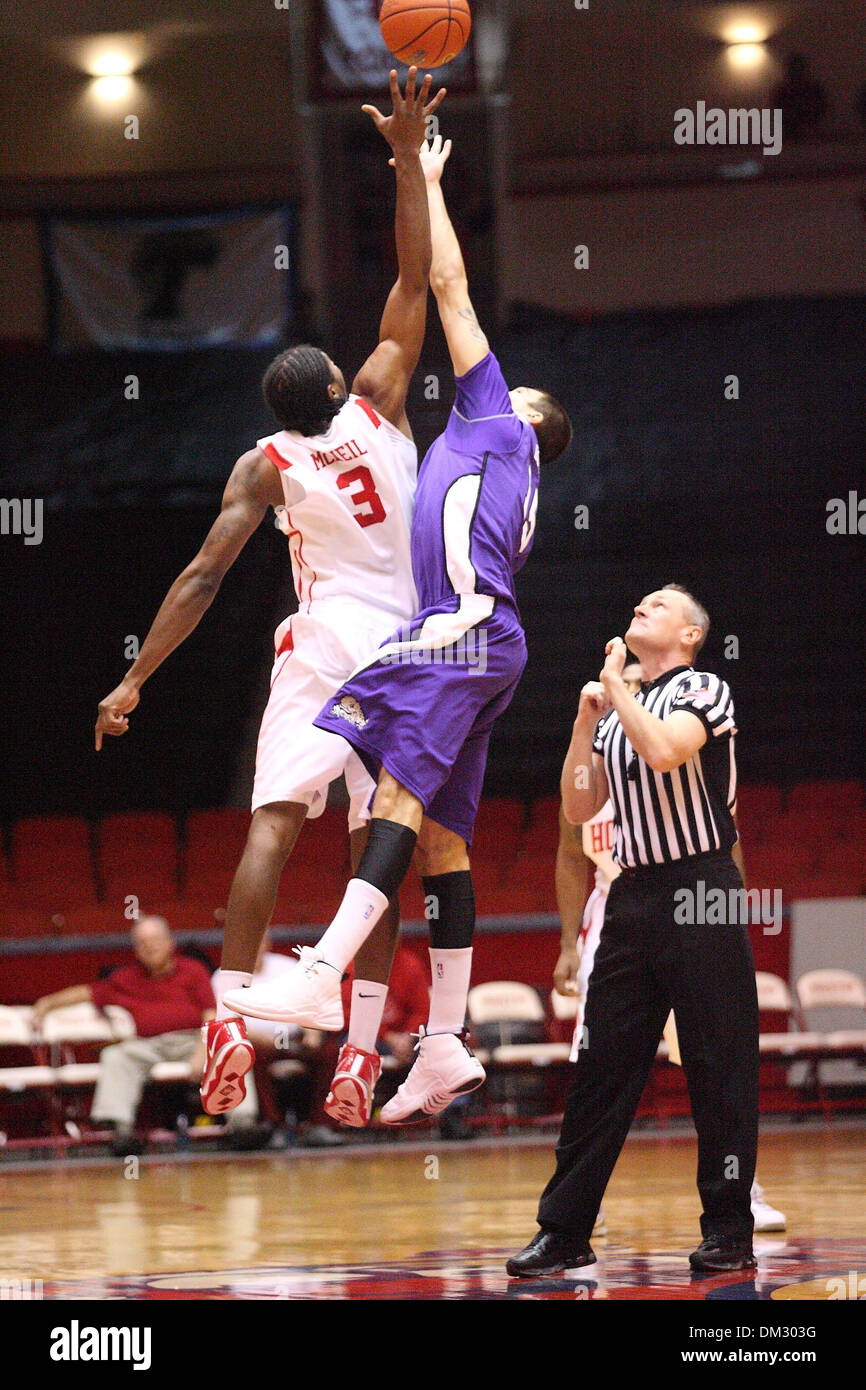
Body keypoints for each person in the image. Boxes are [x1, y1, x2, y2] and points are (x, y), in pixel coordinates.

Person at [93, 69, 446, 1121]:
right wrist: (405, 155)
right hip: (415, 645)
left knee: (269, 828)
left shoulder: (266, 464)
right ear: (340, 382)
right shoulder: (382, 396)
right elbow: (415, 277)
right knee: (373, 844)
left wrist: (133, 677)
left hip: (330, 637)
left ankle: (230, 1023)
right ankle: (358, 1049)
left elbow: (203, 575)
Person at [225, 133, 573, 1130]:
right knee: (441, 839)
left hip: (455, 628)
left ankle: (321, 973)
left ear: (520, 416)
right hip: (484, 641)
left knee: (377, 772)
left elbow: (444, 284)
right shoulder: (502, 457)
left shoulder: (492, 424)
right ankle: (444, 1040)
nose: (504, 377)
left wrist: (422, 179)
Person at [508, 585, 760, 1277]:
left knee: (719, 1065)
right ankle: (563, 1231)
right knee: (600, 1071)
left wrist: (618, 688)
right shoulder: (615, 712)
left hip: (701, 887)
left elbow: (666, 753)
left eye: (660, 605)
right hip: (632, 893)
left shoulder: (706, 687)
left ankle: (729, 1230)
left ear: (690, 636)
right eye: (641, 602)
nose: (642, 607)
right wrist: (585, 723)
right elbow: (579, 802)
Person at [554, 661, 785, 1236]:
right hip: (616, 911)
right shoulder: (601, 748)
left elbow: (727, 840)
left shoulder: (681, 742)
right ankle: (573, 1215)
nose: (630, 689)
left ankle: (741, 1196)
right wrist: (564, 945)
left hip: (694, 904)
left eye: (637, 684)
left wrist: (730, 916)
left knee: (711, 1057)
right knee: (599, 1068)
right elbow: (569, 848)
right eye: (625, 682)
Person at [32, 915, 215, 1156]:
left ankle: (245, 1126)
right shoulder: (125, 978)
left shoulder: (194, 970)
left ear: (171, 942)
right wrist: (47, 1003)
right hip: (149, 1045)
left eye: (155, 940)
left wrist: (203, 1051)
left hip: (192, 1041)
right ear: (136, 951)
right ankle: (121, 1132)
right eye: (142, 943)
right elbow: (86, 993)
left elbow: (211, 1014)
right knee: (117, 1055)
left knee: (230, 1049)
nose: (150, 947)